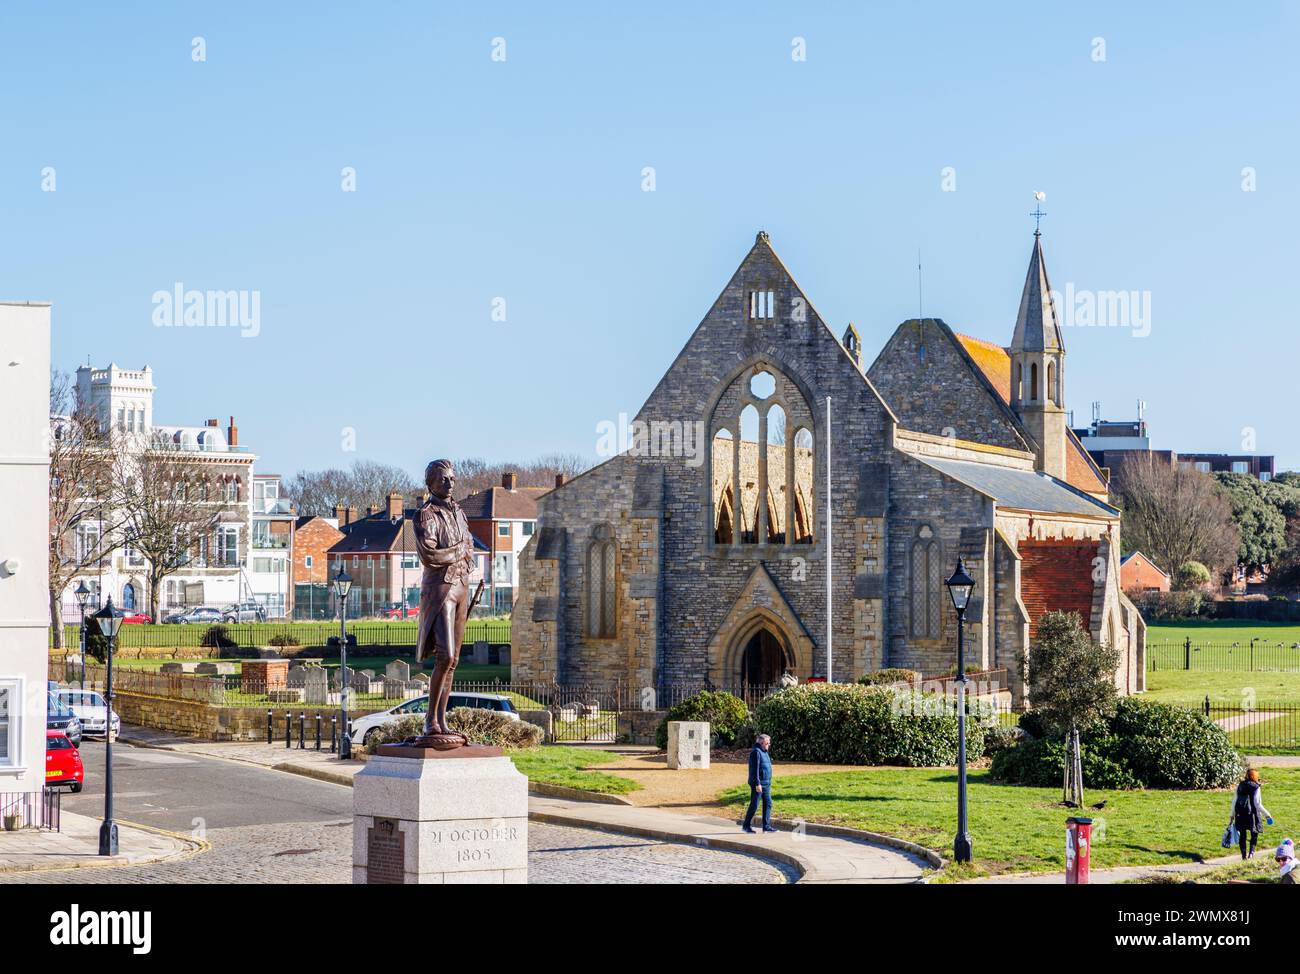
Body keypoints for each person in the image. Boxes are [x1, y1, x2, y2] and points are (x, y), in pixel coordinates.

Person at [1230, 767, 1274, 860]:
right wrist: (1267, 815)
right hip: (1252, 814)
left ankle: (1243, 855)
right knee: (1254, 833)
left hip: (1240, 813)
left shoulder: (1240, 785)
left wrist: (1232, 815)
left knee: (1242, 834)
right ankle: (1251, 854)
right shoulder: (1256, 787)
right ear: (1255, 776)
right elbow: (1257, 804)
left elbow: (1234, 801)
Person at [743, 733, 776, 834]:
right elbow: (755, 770)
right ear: (762, 742)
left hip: (766, 783)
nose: (769, 745)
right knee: (754, 805)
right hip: (759, 784)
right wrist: (757, 783)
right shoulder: (756, 752)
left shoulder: (764, 751)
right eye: (767, 743)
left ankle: (766, 826)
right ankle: (746, 825)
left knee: (768, 803)